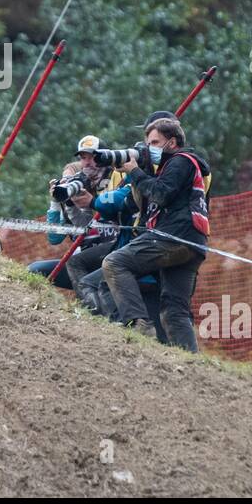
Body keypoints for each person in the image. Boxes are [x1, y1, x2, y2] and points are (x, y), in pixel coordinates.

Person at [101, 116, 211, 351]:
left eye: (154, 142)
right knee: (173, 310)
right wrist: (136, 175)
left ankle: (139, 325)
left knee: (114, 263)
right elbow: (144, 204)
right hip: (192, 243)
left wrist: (135, 172)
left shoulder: (181, 161)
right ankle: (192, 364)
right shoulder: (172, 167)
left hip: (173, 236)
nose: (149, 148)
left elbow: (161, 194)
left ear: (171, 142)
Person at [27, 136, 114, 288]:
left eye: (92, 157)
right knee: (35, 269)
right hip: (84, 261)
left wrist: (91, 200)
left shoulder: (109, 185)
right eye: (83, 158)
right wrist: (56, 201)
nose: (87, 162)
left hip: (110, 254)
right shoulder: (70, 198)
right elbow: (54, 238)